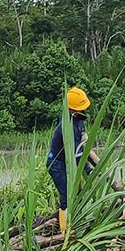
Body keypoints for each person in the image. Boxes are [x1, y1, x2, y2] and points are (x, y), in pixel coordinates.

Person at [46, 86, 94, 233]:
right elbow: (76, 155)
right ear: (73, 110)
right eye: (82, 107)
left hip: (68, 163)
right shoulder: (66, 127)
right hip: (57, 165)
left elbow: (81, 147)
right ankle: (65, 233)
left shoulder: (77, 119)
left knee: (77, 194)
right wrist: (88, 170)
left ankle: (77, 222)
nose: (85, 110)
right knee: (67, 197)